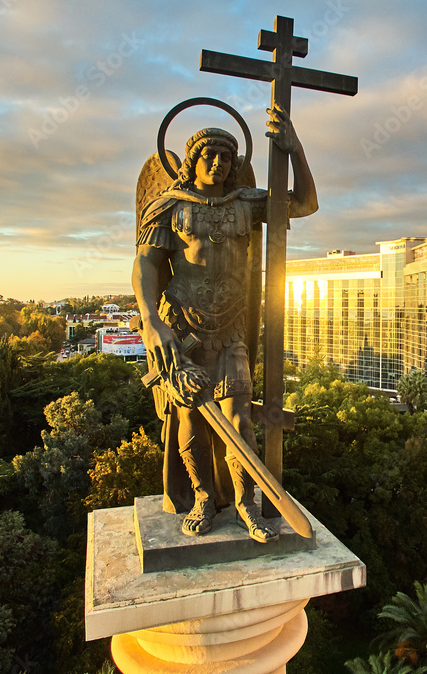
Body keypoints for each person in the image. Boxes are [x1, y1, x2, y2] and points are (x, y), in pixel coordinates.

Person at [133, 105, 318, 543]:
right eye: (208, 156)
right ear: (192, 160)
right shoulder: (170, 208)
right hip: (183, 333)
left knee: (240, 420)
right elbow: (145, 266)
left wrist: (295, 150)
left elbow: (304, 203)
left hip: (231, 331)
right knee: (191, 421)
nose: (218, 164)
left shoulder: (246, 204)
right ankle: (201, 497)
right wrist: (150, 321)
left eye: (226, 158)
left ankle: (246, 503)